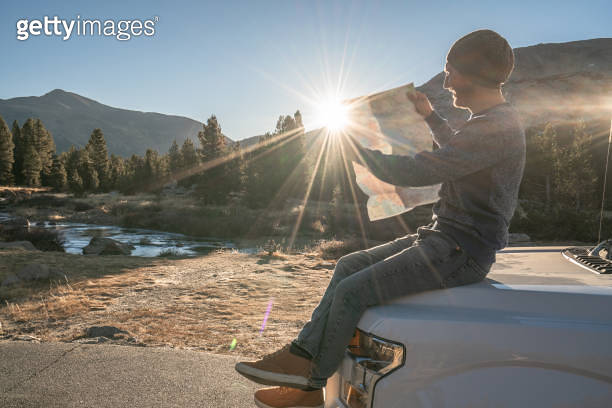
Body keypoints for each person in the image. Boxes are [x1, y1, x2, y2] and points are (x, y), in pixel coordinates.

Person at [235, 28, 526, 408]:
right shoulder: (489, 123)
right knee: (346, 265)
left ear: (470, 71)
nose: (446, 80)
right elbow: (459, 151)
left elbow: (421, 170)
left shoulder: (496, 127)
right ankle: (304, 367)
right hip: (444, 237)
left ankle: (310, 377)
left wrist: (355, 145)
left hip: (461, 250)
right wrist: (430, 116)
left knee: (352, 291)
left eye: (450, 71)